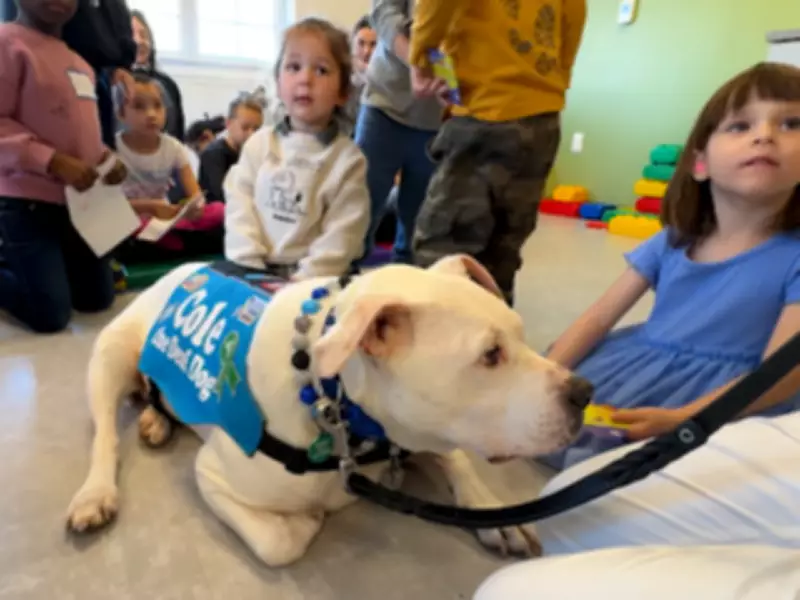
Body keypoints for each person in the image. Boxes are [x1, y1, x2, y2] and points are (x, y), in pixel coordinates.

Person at [543, 62, 800, 471]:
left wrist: (688, 418)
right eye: (740, 126)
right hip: (637, 369)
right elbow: (597, 318)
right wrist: (549, 374)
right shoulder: (674, 239)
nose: (764, 135)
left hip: (736, 398)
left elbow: (782, 372)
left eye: (791, 124)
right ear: (700, 163)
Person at [409, 0, 587, 305]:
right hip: (543, 116)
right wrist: (558, 79)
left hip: (486, 108)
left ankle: (445, 340)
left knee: (443, 246)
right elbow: (575, 13)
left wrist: (421, 57)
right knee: (503, 248)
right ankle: (495, 338)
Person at [0, 0, 128, 332]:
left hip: (79, 205)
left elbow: (85, 136)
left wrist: (107, 161)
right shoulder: (6, 43)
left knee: (97, 299)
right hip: (27, 203)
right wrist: (51, 160)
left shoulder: (80, 64)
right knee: (50, 315)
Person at [224, 18, 369, 280]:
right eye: (293, 67)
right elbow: (239, 202)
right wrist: (248, 264)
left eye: (322, 70)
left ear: (343, 92)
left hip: (314, 279)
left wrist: (303, 282)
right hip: (253, 270)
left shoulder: (347, 160)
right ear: (279, 83)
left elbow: (343, 233)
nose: (305, 79)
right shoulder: (259, 144)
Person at [355, 0, 442, 266]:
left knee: (417, 226)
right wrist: (416, 61)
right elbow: (383, 11)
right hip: (384, 105)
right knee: (359, 212)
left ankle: (404, 293)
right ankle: (341, 286)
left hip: (434, 119)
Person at [113, 73, 224, 264]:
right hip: (131, 220)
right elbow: (106, 206)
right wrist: (150, 207)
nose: (151, 114)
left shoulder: (174, 147)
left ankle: (171, 243)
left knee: (220, 211)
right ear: (121, 113)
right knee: (121, 228)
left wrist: (194, 208)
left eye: (157, 106)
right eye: (139, 106)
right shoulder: (111, 148)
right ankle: (176, 244)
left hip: (166, 221)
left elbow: (196, 196)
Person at [2, 0, 137, 148]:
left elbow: (83, 131)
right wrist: (51, 160)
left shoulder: (81, 65)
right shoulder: (8, 46)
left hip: (85, 158)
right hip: (25, 166)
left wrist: (104, 158)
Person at [130, 9, 185, 141]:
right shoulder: (110, 83)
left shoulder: (169, 85)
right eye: (132, 35)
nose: (139, 41)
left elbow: (178, 133)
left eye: (143, 35)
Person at [198, 96, 264, 203]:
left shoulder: (252, 153)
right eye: (245, 127)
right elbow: (224, 196)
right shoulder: (213, 155)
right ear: (228, 124)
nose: (252, 134)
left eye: (256, 129)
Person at [343, 15, 376, 133]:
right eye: (361, 43)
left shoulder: (386, 80)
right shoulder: (342, 75)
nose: (367, 51)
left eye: (373, 44)